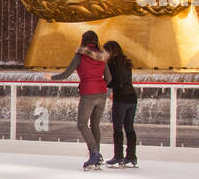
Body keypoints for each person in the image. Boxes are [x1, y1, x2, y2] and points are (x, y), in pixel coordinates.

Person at [51, 30, 112, 170]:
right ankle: (96, 157)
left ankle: (94, 153)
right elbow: (109, 78)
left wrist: (52, 78)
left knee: (82, 123)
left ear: (83, 40)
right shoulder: (102, 56)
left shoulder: (81, 55)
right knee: (95, 125)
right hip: (102, 93)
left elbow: (66, 74)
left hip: (88, 93)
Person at [103, 40, 138, 168]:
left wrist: (104, 83)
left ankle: (118, 156)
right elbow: (126, 80)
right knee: (129, 128)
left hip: (121, 99)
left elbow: (114, 82)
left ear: (111, 51)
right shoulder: (127, 62)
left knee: (117, 129)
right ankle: (131, 156)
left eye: (106, 51)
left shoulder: (111, 64)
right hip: (132, 98)